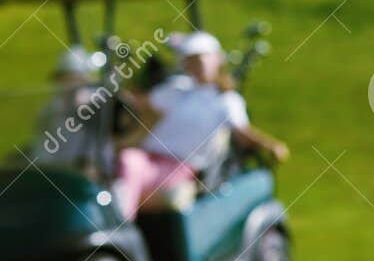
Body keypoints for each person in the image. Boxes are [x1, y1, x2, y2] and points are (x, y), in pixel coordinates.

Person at [113, 31, 287, 218]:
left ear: (217, 59)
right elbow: (141, 101)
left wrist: (270, 145)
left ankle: (120, 224)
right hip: (150, 159)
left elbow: (241, 132)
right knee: (118, 160)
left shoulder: (226, 100)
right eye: (191, 59)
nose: (197, 64)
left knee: (129, 162)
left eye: (201, 58)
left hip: (180, 168)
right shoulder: (178, 89)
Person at [29, 45, 105, 169]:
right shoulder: (49, 112)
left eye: (74, 79)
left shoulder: (98, 108)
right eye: (65, 79)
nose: (69, 85)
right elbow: (42, 153)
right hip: (60, 175)